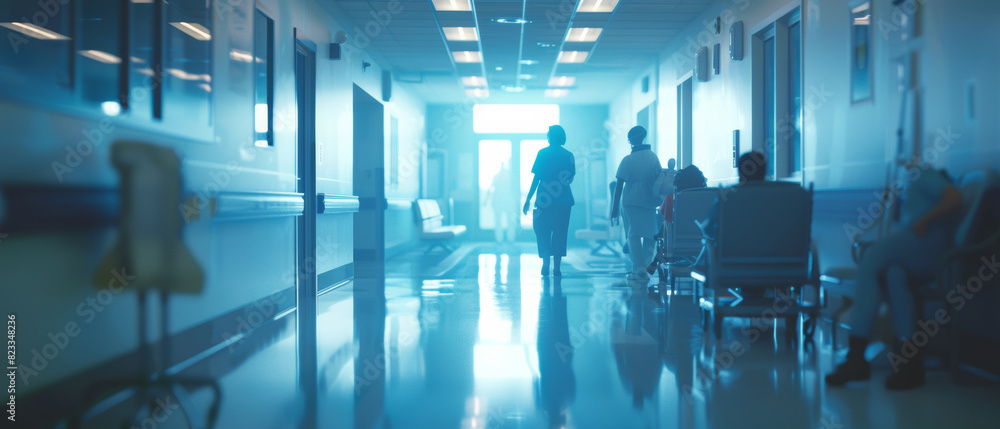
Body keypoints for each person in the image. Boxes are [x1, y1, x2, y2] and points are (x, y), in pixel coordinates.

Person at [826, 164, 963, 390]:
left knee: (870, 259)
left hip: (928, 247)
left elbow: (954, 198)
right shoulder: (921, 184)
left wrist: (923, 221)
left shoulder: (925, 176)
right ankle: (909, 365)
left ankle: (856, 358)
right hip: (930, 253)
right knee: (894, 274)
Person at [611, 126, 662, 281]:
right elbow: (659, 181)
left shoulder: (627, 160)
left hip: (630, 201)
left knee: (632, 234)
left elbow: (619, 186)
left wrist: (614, 209)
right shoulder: (653, 157)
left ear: (632, 140)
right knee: (650, 234)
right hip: (649, 200)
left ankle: (637, 270)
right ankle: (645, 269)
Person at [524, 125, 575, 276]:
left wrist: (528, 199)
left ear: (550, 136)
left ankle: (545, 264)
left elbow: (536, 178)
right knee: (560, 232)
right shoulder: (569, 155)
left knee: (542, 231)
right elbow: (570, 178)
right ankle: (557, 268)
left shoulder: (542, 153)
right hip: (563, 200)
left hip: (543, 199)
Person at [699, 151, 767, 240]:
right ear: (764, 172)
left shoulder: (728, 197)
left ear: (739, 172)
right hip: (775, 253)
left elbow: (707, 229)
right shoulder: (779, 197)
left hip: (733, 252)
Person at [485, 161, 518, 243]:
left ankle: (501, 239)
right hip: (504, 202)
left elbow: (490, 189)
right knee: (506, 221)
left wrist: (486, 200)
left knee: (501, 221)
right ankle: (508, 239)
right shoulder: (507, 177)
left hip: (502, 202)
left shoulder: (499, 177)